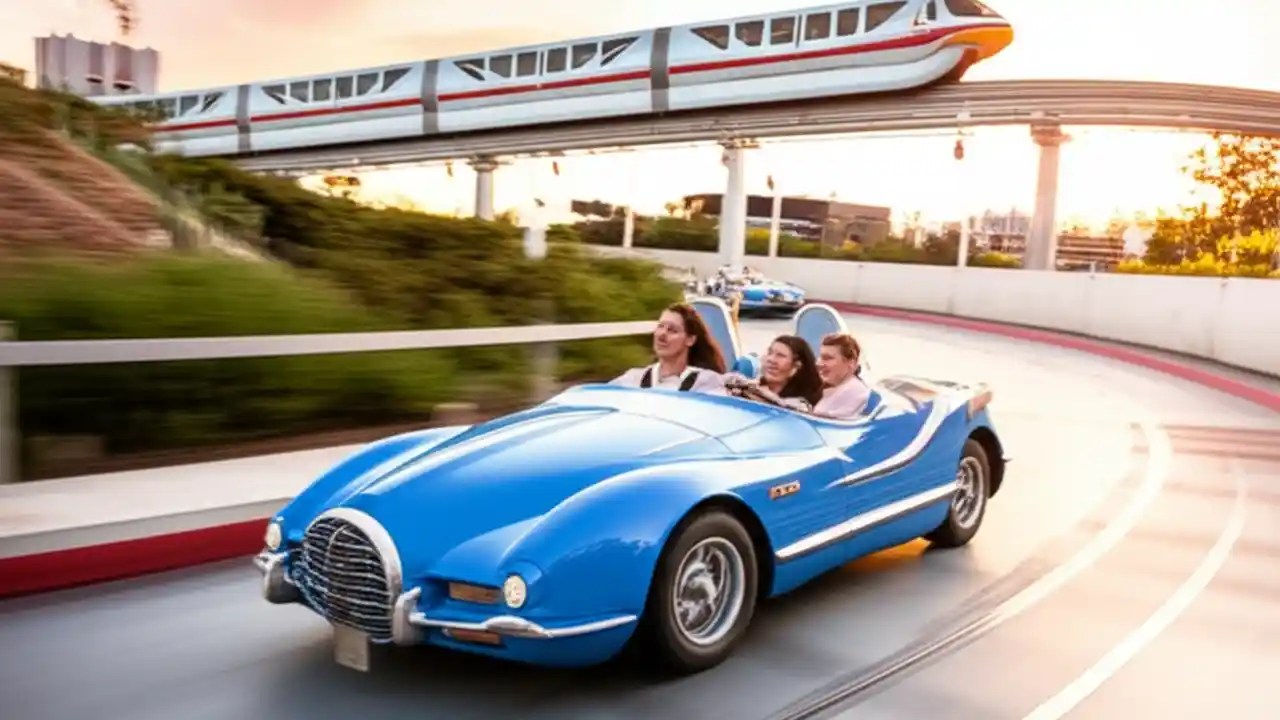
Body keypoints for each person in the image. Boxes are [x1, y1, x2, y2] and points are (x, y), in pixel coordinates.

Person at [610, 302, 728, 394]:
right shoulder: (633, 379)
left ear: (690, 340)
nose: (662, 334)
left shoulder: (706, 382)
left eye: (672, 330)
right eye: (660, 326)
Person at [727, 335, 823, 411]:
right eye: (770, 353)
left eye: (780, 356)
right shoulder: (748, 389)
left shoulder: (807, 405)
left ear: (796, 367)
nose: (771, 359)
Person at [812, 332, 871, 419]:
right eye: (820, 357)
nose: (819, 363)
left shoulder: (853, 392)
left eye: (828, 358)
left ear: (851, 363)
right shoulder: (840, 387)